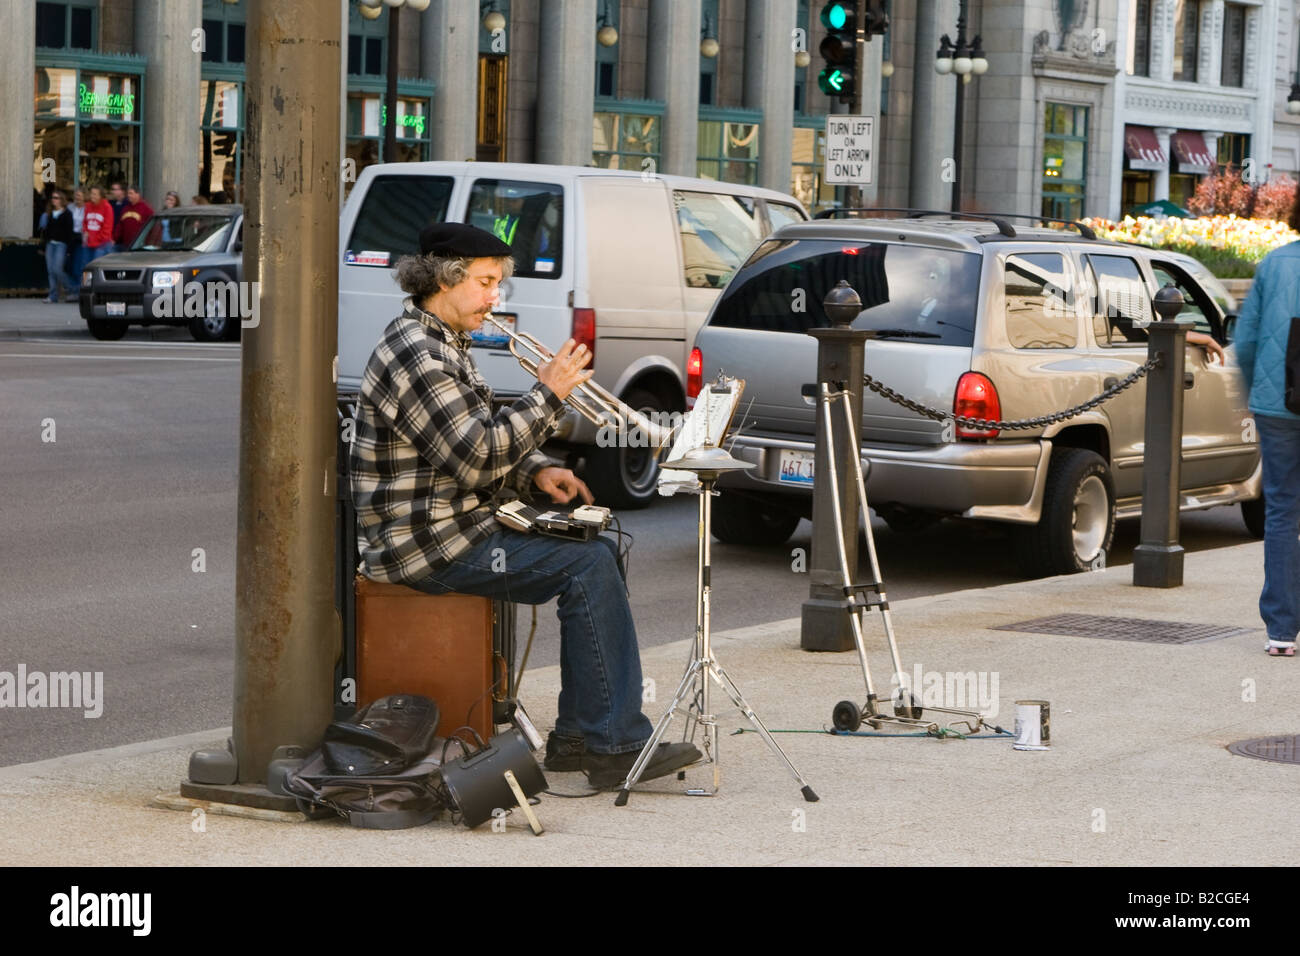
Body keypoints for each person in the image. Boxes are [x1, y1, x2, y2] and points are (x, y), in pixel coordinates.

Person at [349, 222, 700, 790]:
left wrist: (541, 469)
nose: (495, 297)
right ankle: (614, 745)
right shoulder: (418, 353)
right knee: (586, 567)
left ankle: (578, 738)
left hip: (453, 525)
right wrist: (549, 393)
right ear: (444, 279)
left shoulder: (440, 340)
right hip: (425, 544)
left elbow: (475, 433)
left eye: (497, 283)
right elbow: (476, 457)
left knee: (598, 550)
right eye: (486, 283)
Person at [1233, 188, 1300, 657]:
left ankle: (1281, 630)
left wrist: (1254, 393)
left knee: (1280, 512)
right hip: (1276, 405)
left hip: (1278, 407)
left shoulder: (1274, 265)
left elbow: (1246, 340)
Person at [38, 190, 77, 303]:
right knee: (50, 270)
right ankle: (53, 295)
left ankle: (73, 289)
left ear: (62, 200)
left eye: (56, 198)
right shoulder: (50, 213)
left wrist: (69, 249)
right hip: (50, 244)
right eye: (53, 198)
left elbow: (70, 232)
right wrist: (42, 246)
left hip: (61, 244)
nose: (54, 200)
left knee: (57, 269)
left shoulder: (67, 214)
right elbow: (46, 232)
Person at [113, 185, 153, 250]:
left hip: (139, 246)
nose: (128, 195)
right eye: (128, 193)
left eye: (131, 193)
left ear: (137, 194)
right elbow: (120, 226)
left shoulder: (146, 208)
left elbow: (152, 226)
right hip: (125, 245)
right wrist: (114, 239)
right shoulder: (125, 208)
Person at [82, 186, 115, 264]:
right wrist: (85, 231)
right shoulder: (88, 206)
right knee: (86, 267)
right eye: (91, 193)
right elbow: (85, 222)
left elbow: (107, 229)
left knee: (96, 267)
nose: (92, 196)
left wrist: (95, 239)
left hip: (102, 244)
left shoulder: (107, 207)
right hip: (88, 243)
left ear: (100, 196)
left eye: (95, 194)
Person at [68, 188, 86, 287]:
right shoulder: (70, 207)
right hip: (71, 238)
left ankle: (78, 289)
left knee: (78, 265)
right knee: (70, 264)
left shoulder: (87, 208)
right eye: (75, 195)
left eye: (79, 195)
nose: (77, 197)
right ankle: (74, 288)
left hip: (81, 239)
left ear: (84, 197)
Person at [107, 182, 127, 252]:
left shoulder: (127, 204)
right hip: (112, 240)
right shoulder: (111, 204)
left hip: (124, 241)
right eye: (112, 189)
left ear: (122, 191)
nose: (112, 192)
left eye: (114, 189)